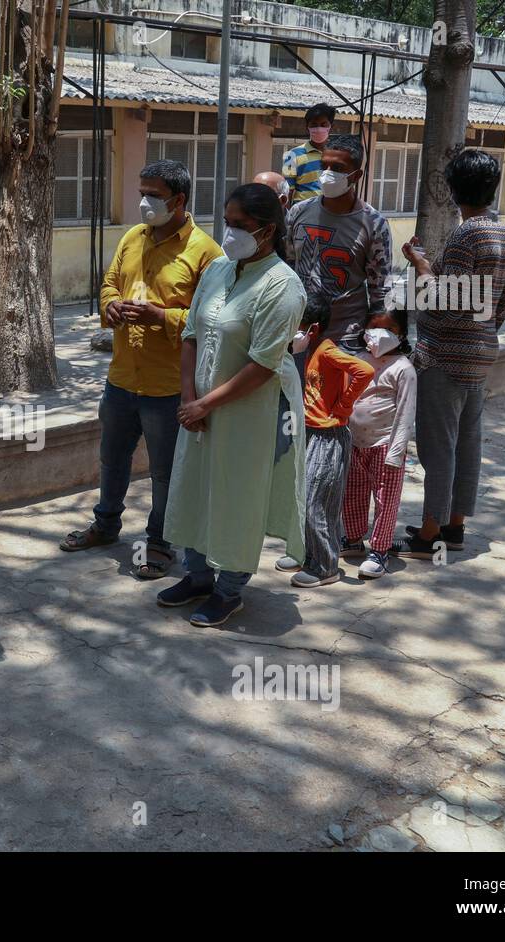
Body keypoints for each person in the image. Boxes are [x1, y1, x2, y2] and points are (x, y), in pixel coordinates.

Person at [60, 160, 222, 579]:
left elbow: (214, 320)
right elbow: (110, 283)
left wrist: (162, 318)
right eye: (142, 193)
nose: (144, 202)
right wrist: (109, 306)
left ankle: (159, 542)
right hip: (121, 377)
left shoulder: (206, 252)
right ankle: (105, 524)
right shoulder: (133, 237)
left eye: (153, 195)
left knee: (164, 473)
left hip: (168, 386)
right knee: (112, 459)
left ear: (179, 200)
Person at [158, 183, 307, 627]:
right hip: (199, 407)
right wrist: (189, 399)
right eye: (227, 222)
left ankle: (229, 590)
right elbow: (190, 334)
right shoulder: (219, 270)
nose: (230, 233)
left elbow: (263, 364)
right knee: (195, 486)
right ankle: (198, 574)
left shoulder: (283, 286)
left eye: (241, 225)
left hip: (251, 413)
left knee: (237, 494)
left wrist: (205, 405)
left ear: (267, 230)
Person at [398, 149, 505, 557]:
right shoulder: (501, 232)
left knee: (438, 445)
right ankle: (455, 526)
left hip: (445, 355)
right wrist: (481, 334)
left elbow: (444, 299)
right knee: (467, 443)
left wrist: (418, 264)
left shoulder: (468, 234)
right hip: (479, 352)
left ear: (453, 188)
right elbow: (500, 302)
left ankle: (430, 534)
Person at [275, 289, 374, 587]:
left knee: (317, 502)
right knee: (300, 497)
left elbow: (365, 370)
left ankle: (325, 565)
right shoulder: (303, 351)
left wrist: (343, 407)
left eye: (297, 323)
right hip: (307, 432)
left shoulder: (327, 349)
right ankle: (305, 552)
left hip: (328, 436)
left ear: (312, 327)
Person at [285, 133, 393, 352]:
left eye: (337, 168)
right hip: (297, 328)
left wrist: (377, 333)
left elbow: (379, 289)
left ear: (356, 175)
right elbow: (287, 265)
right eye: (324, 165)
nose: (327, 174)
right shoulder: (299, 212)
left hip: (345, 335)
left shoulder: (373, 224)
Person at [341, 309, 417, 579]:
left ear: (401, 334)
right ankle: (352, 539)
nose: (380, 334)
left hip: (386, 444)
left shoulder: (403, 369)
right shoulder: (358, 361)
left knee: (385, 499)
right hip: (354, 442)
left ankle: (380, 550)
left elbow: (406, 412)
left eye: (389, 329)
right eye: (373, 327)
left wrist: (396, 451)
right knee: (353, 494)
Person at [281, 103, 335, 205]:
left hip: (331, 213)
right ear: (307, 127)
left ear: (331, 127)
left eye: (323, 124)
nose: (319, 128)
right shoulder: (290, 155)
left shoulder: (337, 156)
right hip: (302, 214)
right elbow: (287, 192)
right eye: (314, 125)